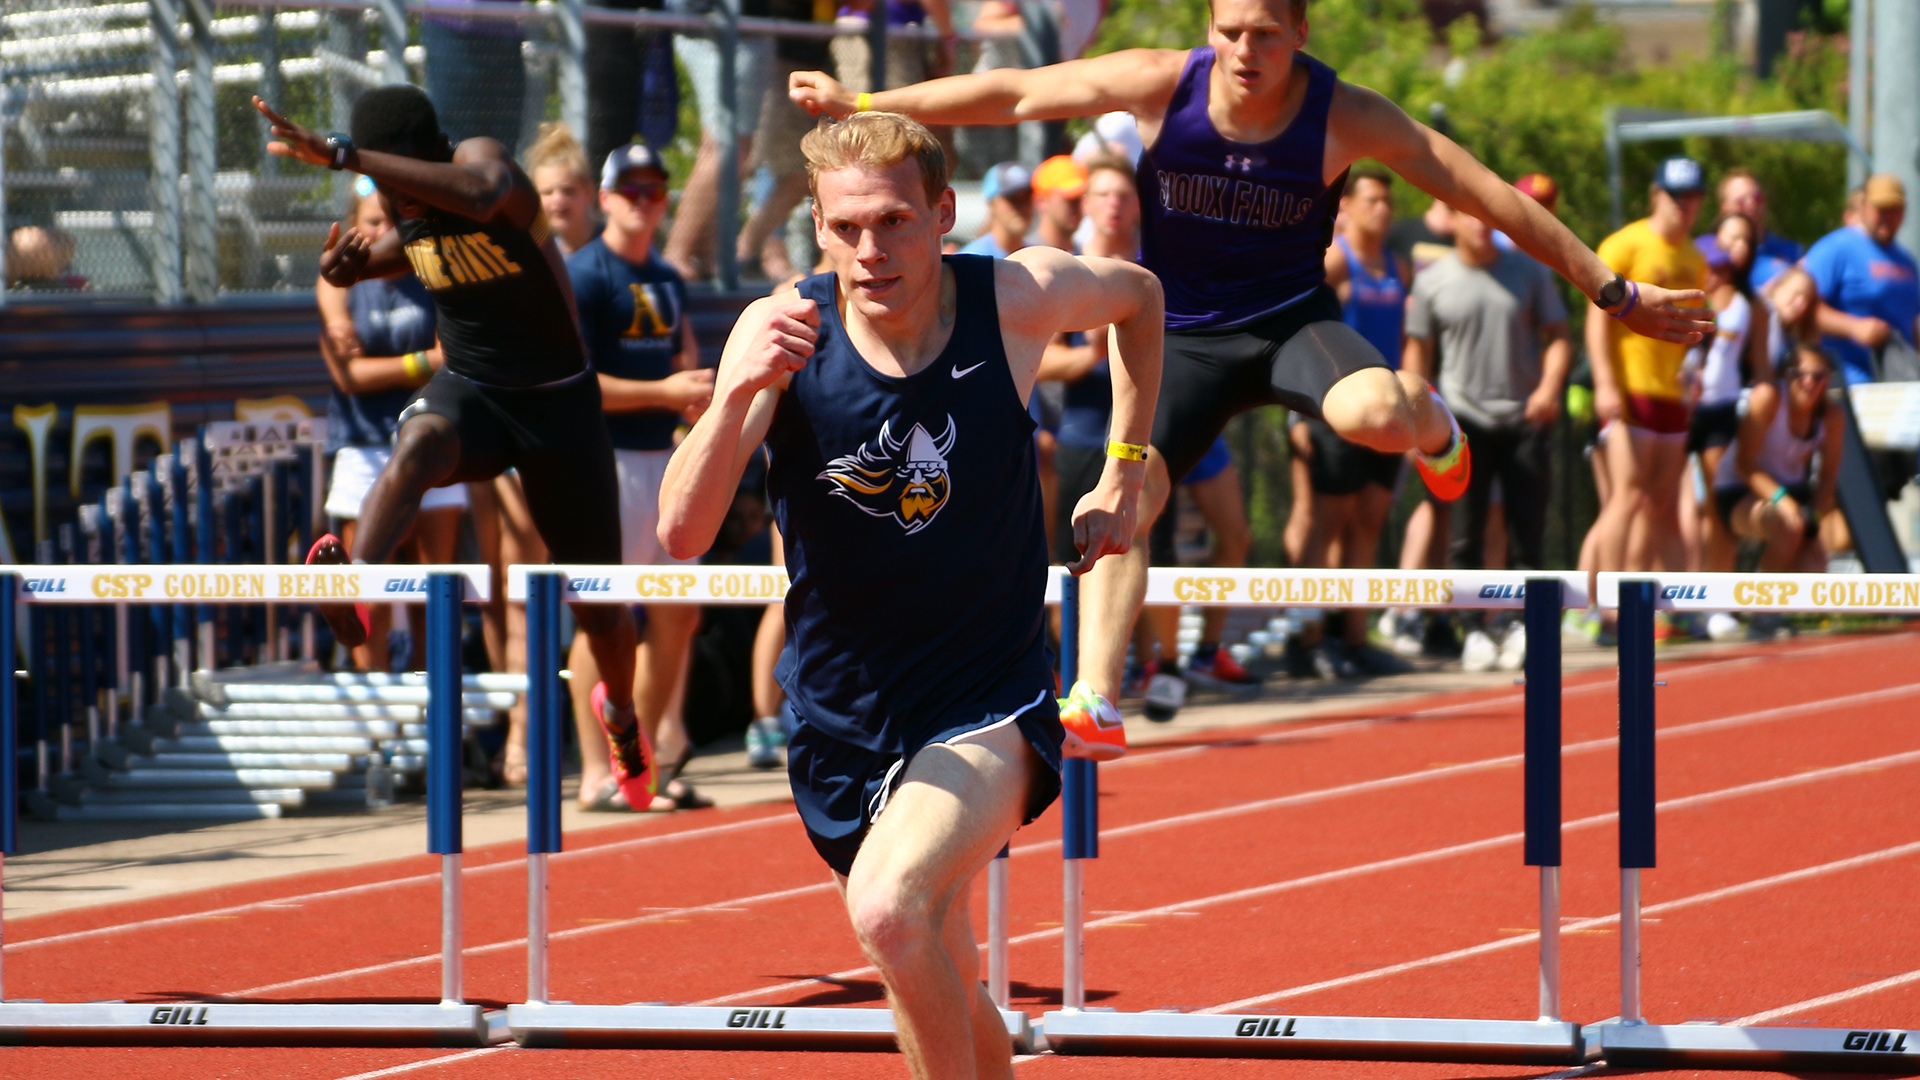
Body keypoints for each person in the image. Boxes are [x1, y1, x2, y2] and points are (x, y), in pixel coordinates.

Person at [790, 0, 1710, 724]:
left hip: (1288, 324)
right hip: (1173, 332)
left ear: (1300, 35)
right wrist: (868, 105)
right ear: (1209, 32)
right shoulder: (1161, 85)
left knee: (1374, 417)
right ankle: (1099, 693)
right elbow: (1021, 93)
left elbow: (1488, 195)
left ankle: (1436, 422)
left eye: (1266, 32)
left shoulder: (1343, 115)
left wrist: (1611, 290)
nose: (1244, 49)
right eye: (1229, 29)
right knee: (1123, 496)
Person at [655, 111, 1162, 1080]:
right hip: (842, 717)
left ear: (943, 215)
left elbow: (1138, 298)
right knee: (935, 959)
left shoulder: (1010, 299)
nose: (869, 251)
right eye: (845, 228)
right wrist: (733, 399)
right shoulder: (785, 336)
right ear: (815, 224)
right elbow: (679, 532)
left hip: (989, 700)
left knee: (889, 912)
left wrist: (1123, 469)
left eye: (891, 222)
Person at [254, 87, 655, 810]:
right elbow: (396, 249)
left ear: (421, 158)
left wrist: (344, 153)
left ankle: (622, 714)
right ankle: (356, 590)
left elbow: (476, 195)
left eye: (392, 181)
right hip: (473, 389)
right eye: (378, 190)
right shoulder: (408, 209)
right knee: (418, 443)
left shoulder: (481, 167)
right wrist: (347, 269)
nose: (392, 200)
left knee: (600, 606)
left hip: (557, 403)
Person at [565, 142, 716, 810]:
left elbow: (681, 352)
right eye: (629, 190)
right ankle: (597, 772)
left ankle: (644, 760)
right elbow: (573, 386)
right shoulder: (584, 272)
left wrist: (695, 401)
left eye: (655, 190)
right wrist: (664, 392)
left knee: (677, 615)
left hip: (665, 458)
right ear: (604, 198)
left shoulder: (665, 275)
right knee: (603, 617)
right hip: (607, 460)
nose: (643, 201)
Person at [1405, 201, 1570, 672]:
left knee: (1528, 534)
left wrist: (1549, 389)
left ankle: (1526, 626)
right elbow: (1417, 351)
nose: (1481, 224)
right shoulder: (1432, 280)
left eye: (1488, 216)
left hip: (1524, 417)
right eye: (1470, 215)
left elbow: (1559, 334)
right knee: (1465, 535)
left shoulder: (1529, 272)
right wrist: (1422, 418)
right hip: (1461, 422)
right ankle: (1471, 628)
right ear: (1452, 221)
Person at [316, 182, 468, 674]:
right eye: (371, 223)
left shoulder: (435, 274)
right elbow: (350, 376)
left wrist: (410, 365)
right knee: (368, 600)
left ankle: (434, 724)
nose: (382, 233)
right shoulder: (340, 284)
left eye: (391, 223)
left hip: (429, 443)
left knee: (434, 595)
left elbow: (455, 359)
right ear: (354, 226)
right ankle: (376, 738)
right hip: (363, 447)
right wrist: (423, 360)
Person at [1294, 165, 1408, 678]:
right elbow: (1299, 324)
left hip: (1385, 411)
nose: (1381, 209)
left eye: (1387, 201)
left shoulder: (1397, 265)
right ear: (1350, 207)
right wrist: (1297, 412)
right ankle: (1312, 637)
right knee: (1328, 521)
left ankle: (1355, 636)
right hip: (1337, 406)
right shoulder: (1336, 261)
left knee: (1369, 520)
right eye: (1372, 200)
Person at [1585, 155, 1711, 584]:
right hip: (1628, 388)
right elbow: (1596, 317)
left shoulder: (1695, 258)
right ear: (1656, 195)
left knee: (1661, 502)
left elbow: (1695, 326)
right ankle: (1595, 602)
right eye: (1676, 196)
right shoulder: (1624, 244)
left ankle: (1659, 601)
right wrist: (1604, 382)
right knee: (1626, 497)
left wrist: (1695, 369)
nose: (1684, 206)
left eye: (1693, 197)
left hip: (1671, 394)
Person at [1686, 213, 1771, 579]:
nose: (1737, 248)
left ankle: (1714, 601)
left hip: (1721, 411)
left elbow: (1764, 369)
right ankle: (1673, 597)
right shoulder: (1685, 286)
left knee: (1714, 508)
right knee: (1681, 507)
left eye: (1745, 241)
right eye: (1729, 238)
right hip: (1679, 411)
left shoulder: (1752, 307)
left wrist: (1763, 407)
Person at [1712, 344, 1843, 573]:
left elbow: (1828, 478)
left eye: (1818, 376)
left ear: (1829, 379)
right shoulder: (1768, 398)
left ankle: (1775, 596)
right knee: (1785, 525)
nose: (1809, 383)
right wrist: (1782, 502)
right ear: (1785, 374)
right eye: (1798, 375)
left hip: (1793, 493)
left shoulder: (1832, 416)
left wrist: (1815, 517)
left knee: (1817, 562)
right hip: (1739, 491)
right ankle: (1766, 606)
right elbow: (1744, 464)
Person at [1805, 174, 1918, 388]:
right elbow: (1804, 309)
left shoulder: (1907, 261)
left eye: (1895, 210)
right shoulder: (1836, 248)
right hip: (1848, 379)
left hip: (1898, 380)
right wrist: (1853, 327)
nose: (1888, 216)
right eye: (1881, 209)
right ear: (1863, 206)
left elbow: (1912, 323)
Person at [1716, 168, 1800, 290]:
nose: (1751, 205)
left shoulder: (1791, 252)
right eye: (1741, 201)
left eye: (1757, 198)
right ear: (1724, 208)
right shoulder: (1711, 256)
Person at [523, 123, 599, 255]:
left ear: (589, 192)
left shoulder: (615, 248)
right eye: (547, 192)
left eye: (568, 191)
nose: (558, 200)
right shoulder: (542, 256)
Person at [959, 161, 1031, 257]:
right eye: (1013, 199)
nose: (1022, 206)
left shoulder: (1036, 254)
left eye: (1027, 197)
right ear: (991, 204)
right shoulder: (975, 258)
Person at [1030, 155, 1087, 252]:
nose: (1076, 206)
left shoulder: (1086, 257)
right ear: (1041, 201)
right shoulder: (1023, 258)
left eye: (1079, 198)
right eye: (1069, 198)